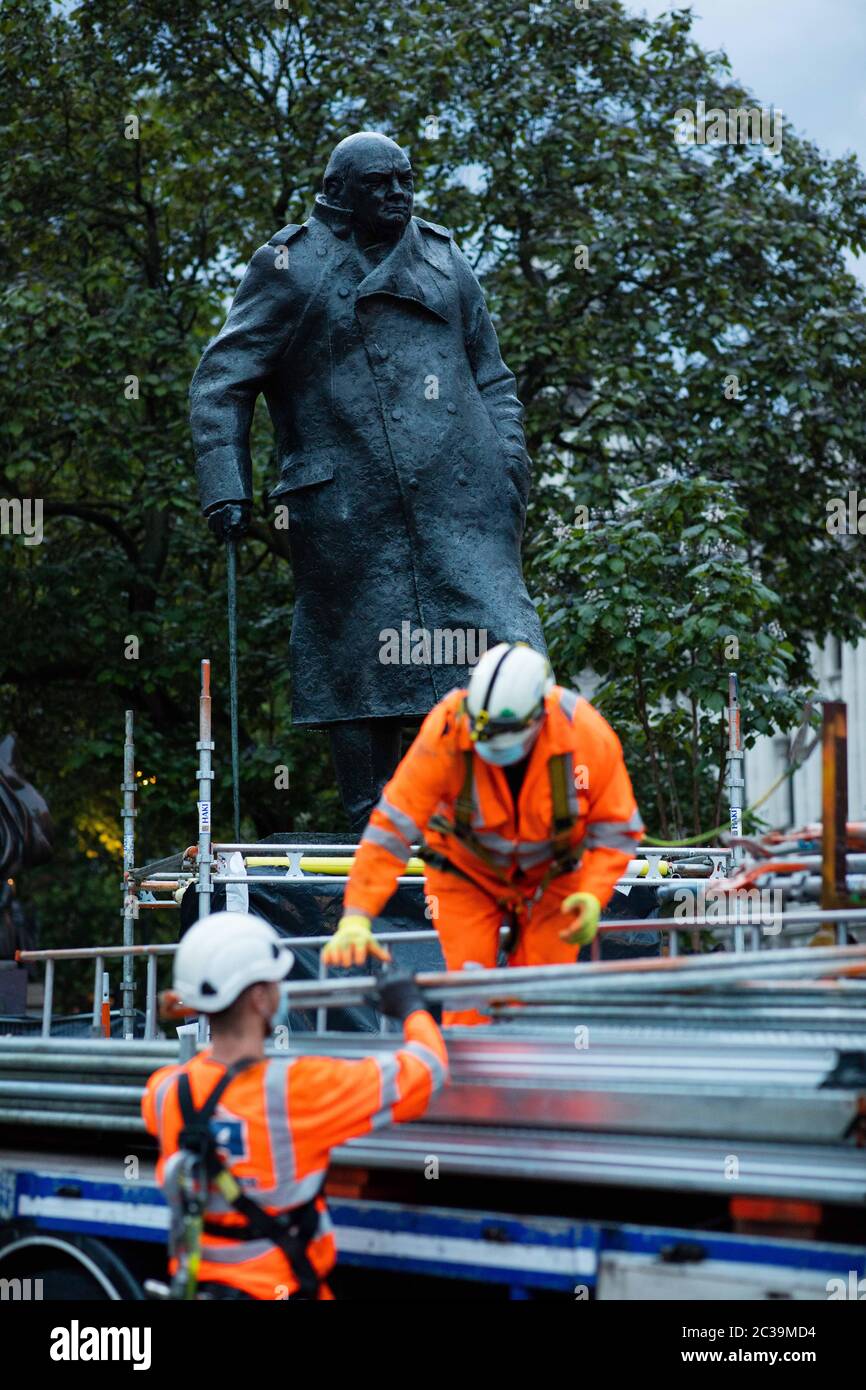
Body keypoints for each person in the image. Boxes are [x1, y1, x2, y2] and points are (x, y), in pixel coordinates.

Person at [189, 130, 545, 831]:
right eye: (380, 183)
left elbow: (493, 374)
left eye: (405, 180)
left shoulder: (443, 257)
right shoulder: (292, 265)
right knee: (358, 662)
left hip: (463, 499)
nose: (398, 194)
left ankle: (498, 819)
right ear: (340, 191)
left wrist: (510, 464)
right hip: (348, 506)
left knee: (506, 647)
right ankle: (374, 827)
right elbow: (222, 380)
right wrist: (225, 483)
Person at [323, 643, 644, 1025]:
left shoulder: (585, 736)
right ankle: (472, 1080)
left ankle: (535, 1080)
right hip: (466, 878)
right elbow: (391, 828)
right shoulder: (447, 730)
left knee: (541, 1001)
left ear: (540, 714)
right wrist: (357, 916)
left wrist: (591, 895)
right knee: (468, 999)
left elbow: (617, 832)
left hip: (555, 882)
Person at [142, 911, 447, 1299]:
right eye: (276, 982)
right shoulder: (298, 1090)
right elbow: (427, 1072)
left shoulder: (167, 1092)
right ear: (258, 998)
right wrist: (411, 1008)